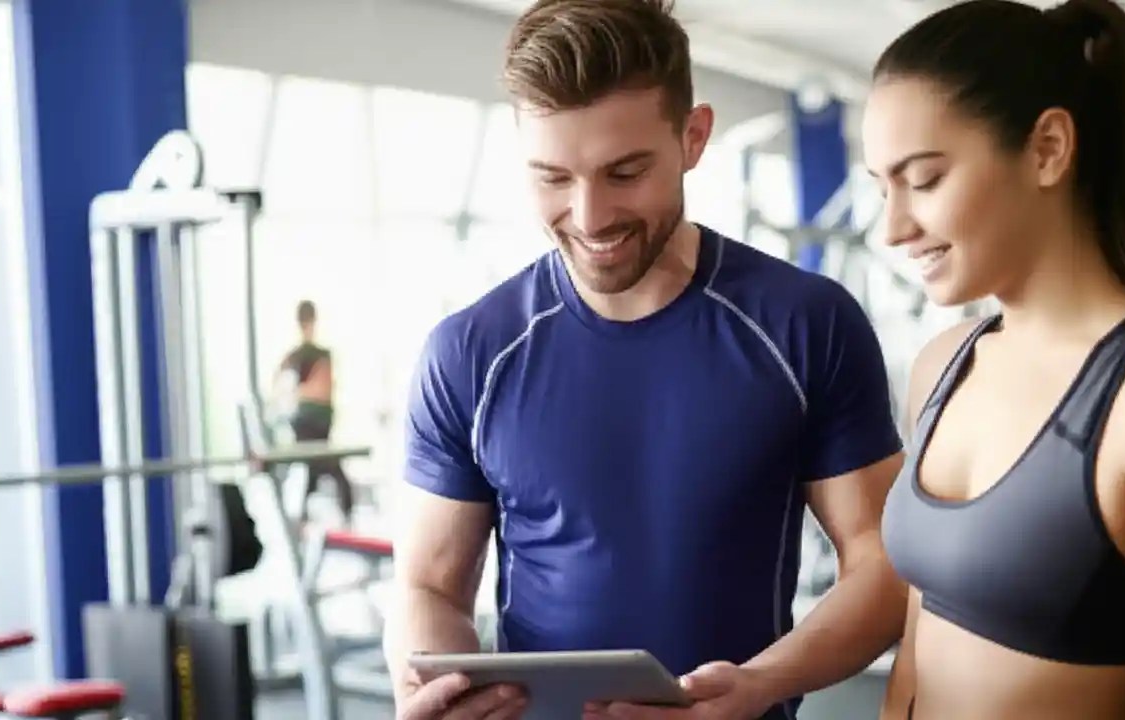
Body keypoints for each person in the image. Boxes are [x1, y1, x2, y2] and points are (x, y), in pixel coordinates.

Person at [384, 1, 909, 719]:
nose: (590, 215)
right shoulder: (469, 352)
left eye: (625, 173)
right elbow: (428, 589)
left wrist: (758, 686)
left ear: (693, 138)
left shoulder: (805, 324)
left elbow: (879, 565)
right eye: (552, 178)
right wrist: (435, 685)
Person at [862, 1, 1125, 718]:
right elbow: (917, 644)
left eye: (924, 180)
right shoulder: (942, 365)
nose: (894, 227)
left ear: (1048, 148)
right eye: (882, 188)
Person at [276, 300, 354, 520]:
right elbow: (319, 389)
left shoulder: (317, 355)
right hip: (308, 420)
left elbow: (324, 389)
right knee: (319, 467)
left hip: (316, 419)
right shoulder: (300, 355)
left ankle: (308, 517)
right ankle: (306, 518)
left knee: (319, 467)